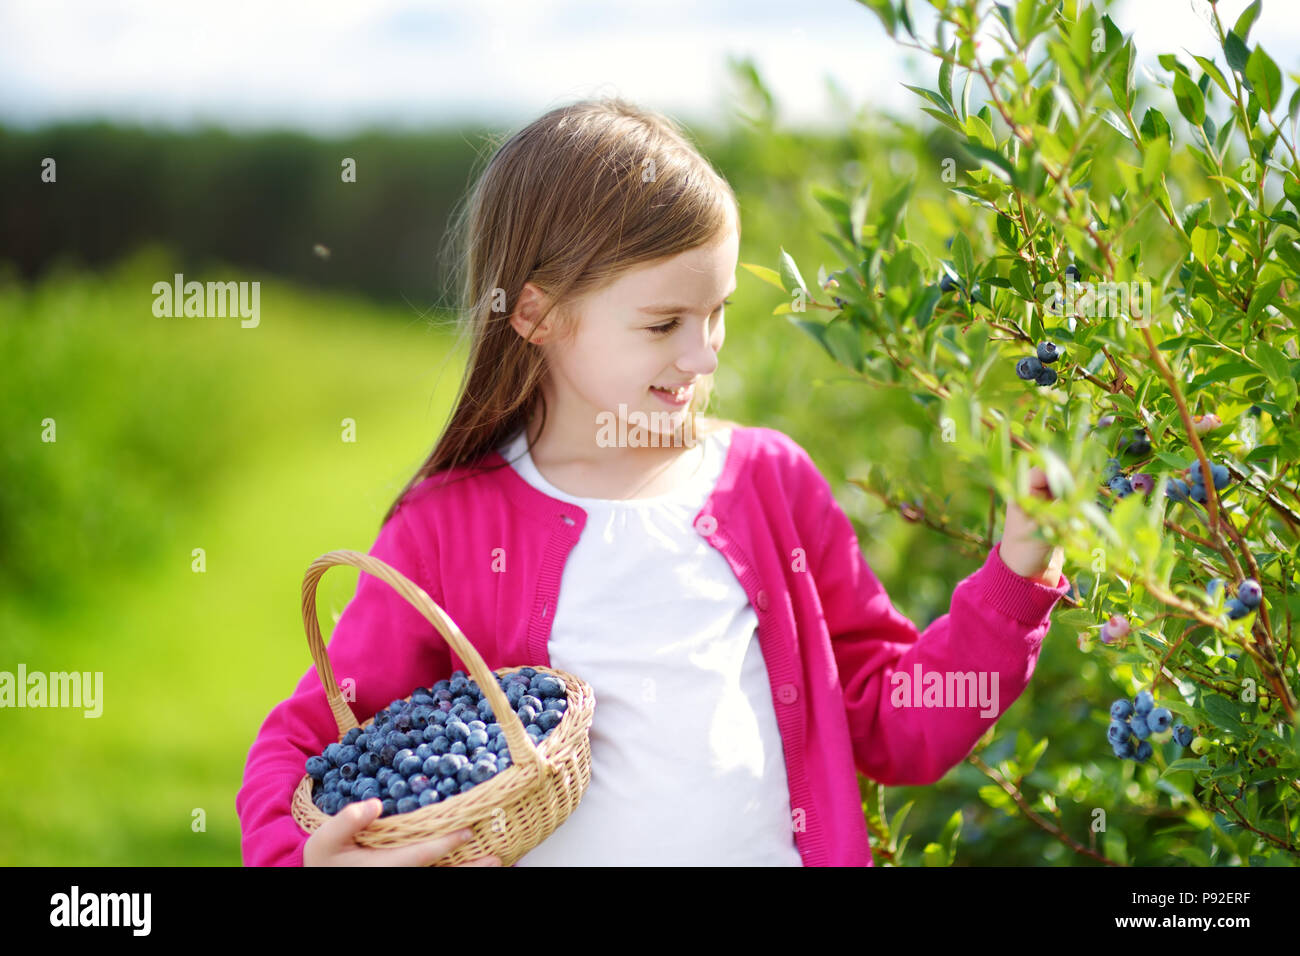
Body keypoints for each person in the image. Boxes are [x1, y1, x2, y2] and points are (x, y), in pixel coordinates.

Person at [236, 96, 1069, 867]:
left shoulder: (769, 484)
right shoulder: (450, 528)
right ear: (536, 314)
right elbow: (310, 737)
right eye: (664, 322)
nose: (704, 354)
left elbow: (892, 724)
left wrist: (1016, 581)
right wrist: (300, 854)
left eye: (718, 313)